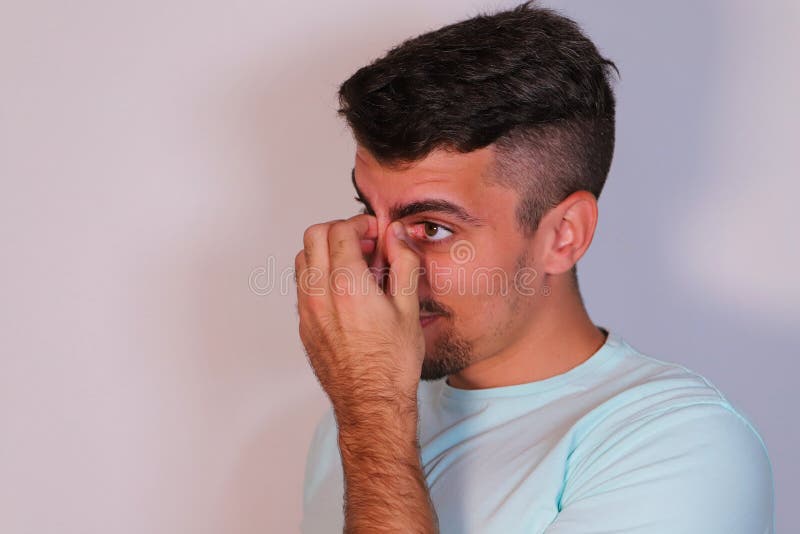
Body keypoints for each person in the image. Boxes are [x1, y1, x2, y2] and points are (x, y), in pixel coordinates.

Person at [295, 2, 774, 532]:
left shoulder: (679, 443)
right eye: (370, 213)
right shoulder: (356, 424)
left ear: (564, 235)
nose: (381, 267)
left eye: (432, 227)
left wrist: (371, 412)